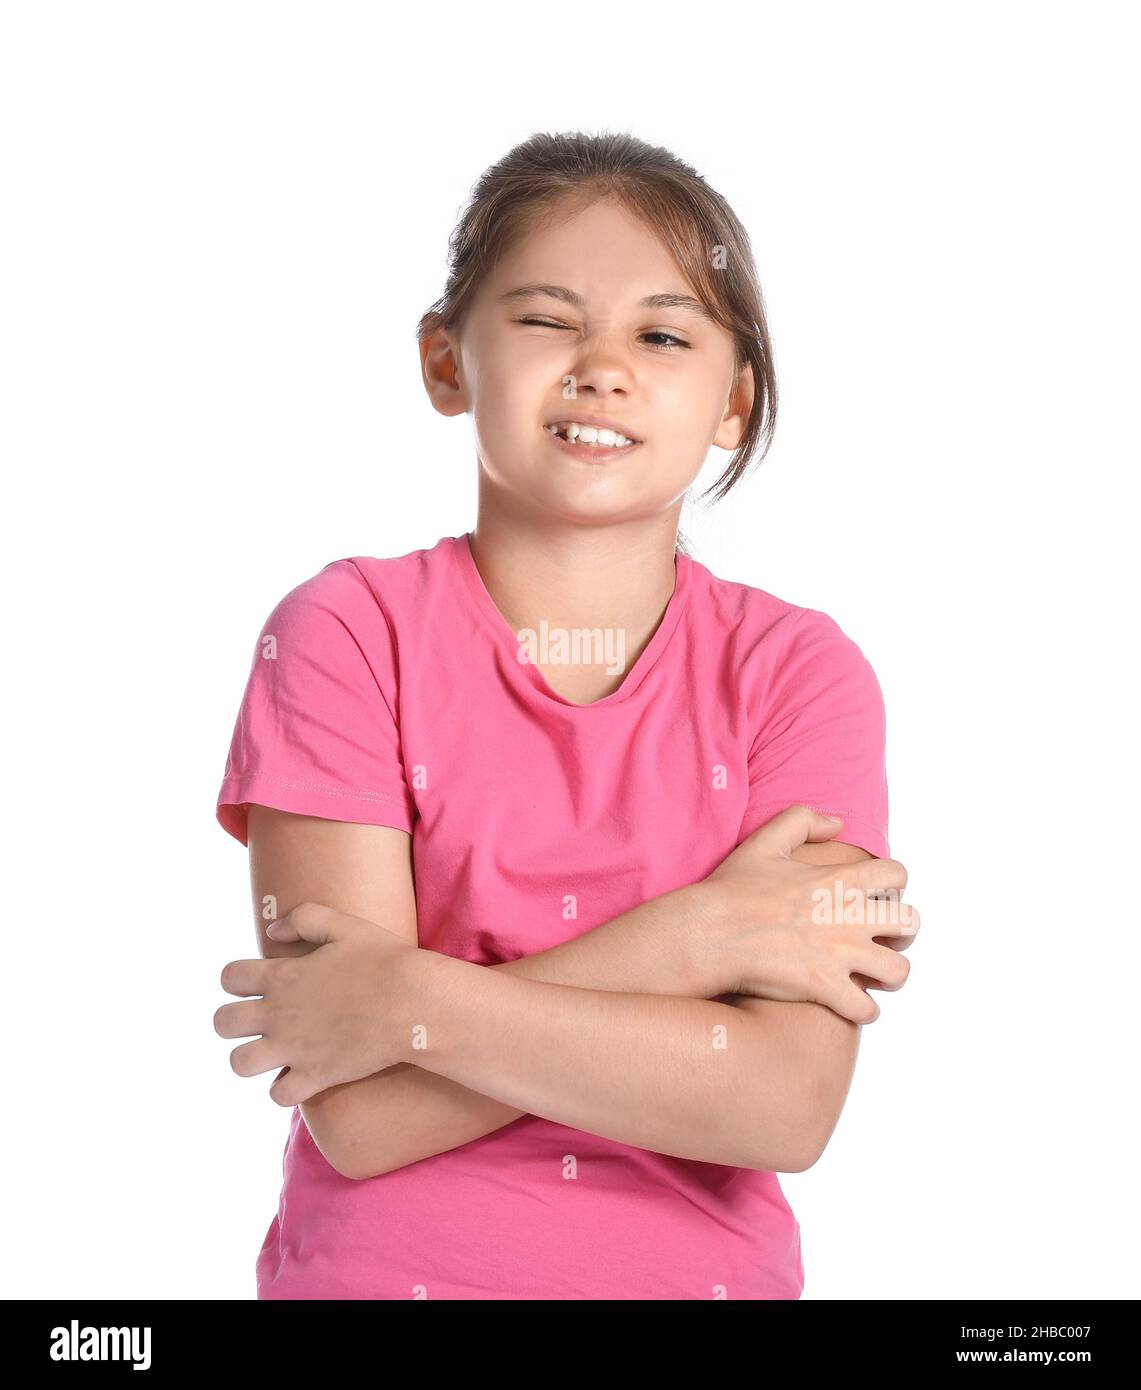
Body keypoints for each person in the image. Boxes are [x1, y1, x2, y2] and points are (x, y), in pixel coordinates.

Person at [213, 130, 918, 1300]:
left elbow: (784, 1104)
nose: (601, 367)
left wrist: (411, 998)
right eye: (546, 319)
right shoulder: (343, 633)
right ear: (447, 363)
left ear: (733, 398)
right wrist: (696, 939)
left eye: (660, 333)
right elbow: (359, 1111)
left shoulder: (801, 672)